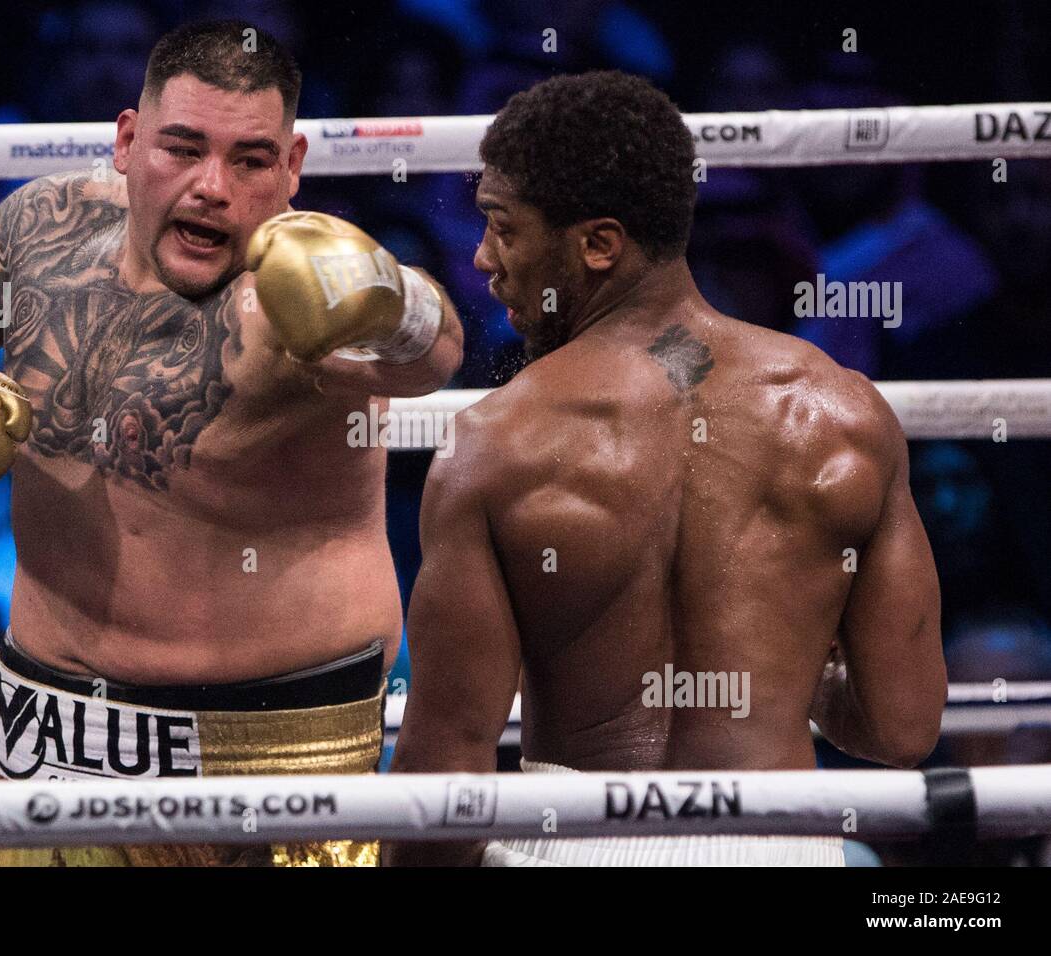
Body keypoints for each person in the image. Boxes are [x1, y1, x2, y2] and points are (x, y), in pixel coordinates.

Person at [0, 19, 462, 867]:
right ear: (127, 142)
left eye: (251, 160)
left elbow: (431, 353)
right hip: (42, 753)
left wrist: (389, 292)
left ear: (293, 166)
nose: (212, 187)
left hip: (272, 784)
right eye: (182, 148)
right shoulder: (45, 232)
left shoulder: (292, 302)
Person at [385, 71, 945, 866]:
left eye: (503, 228)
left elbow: (448, 763)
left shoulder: (495, 444)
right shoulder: (843, 415)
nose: (482, 260)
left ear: (600, 244)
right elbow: (903, 727)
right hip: (783, 847)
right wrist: (789, 666)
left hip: (574, 843)